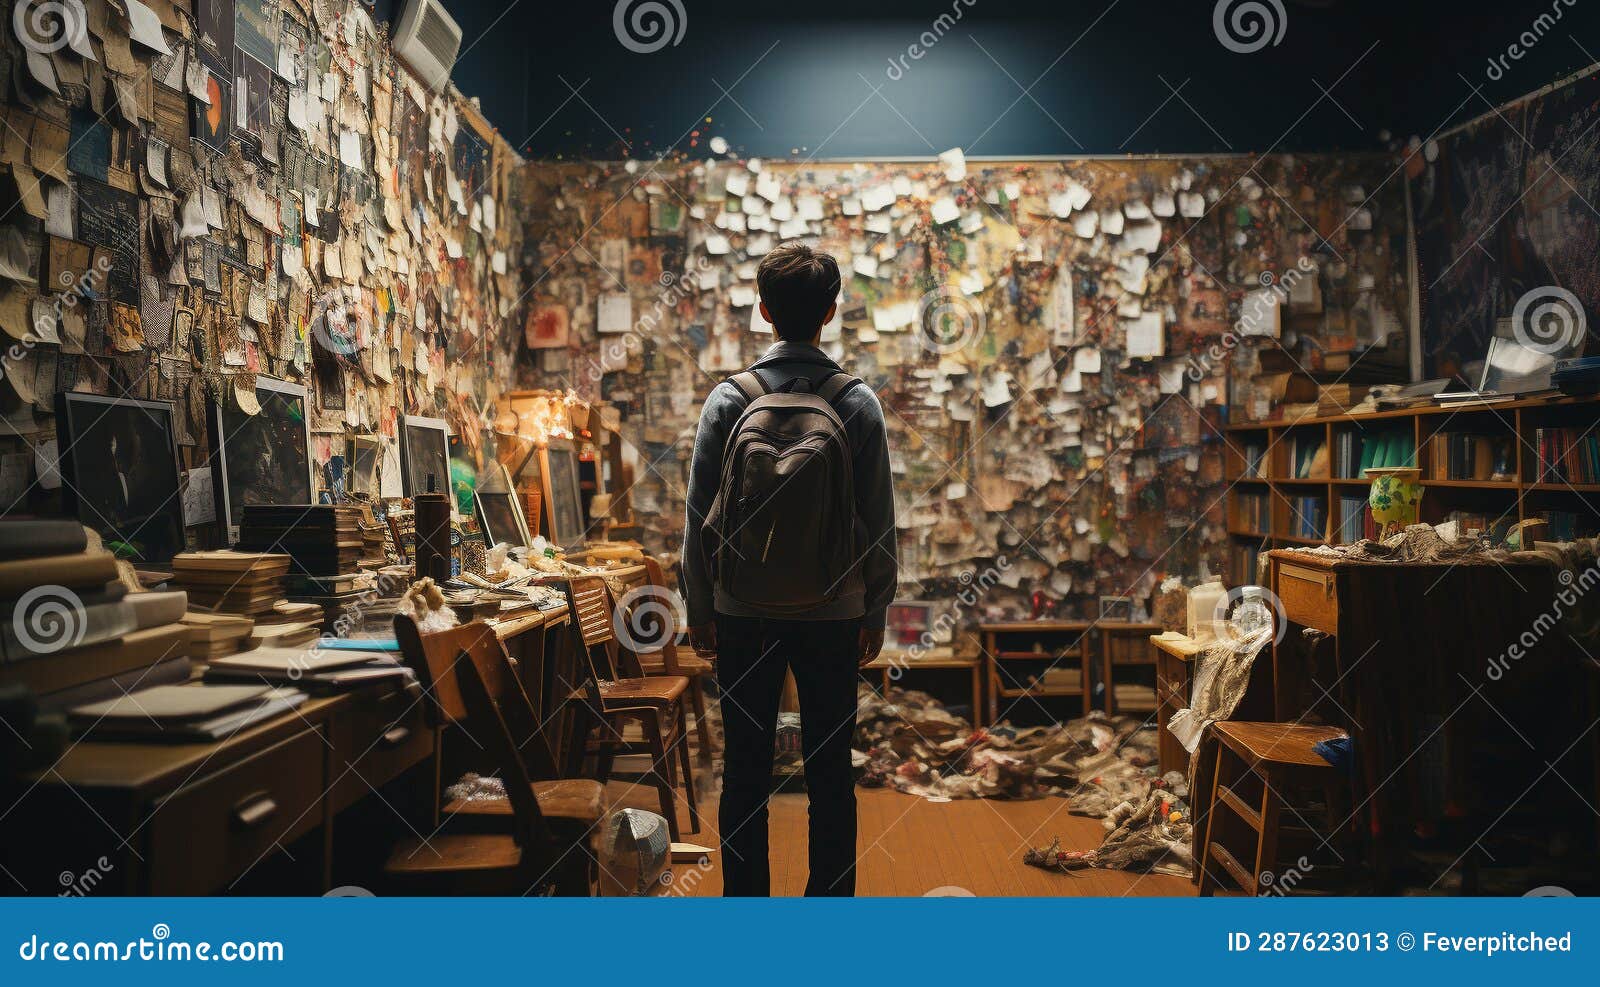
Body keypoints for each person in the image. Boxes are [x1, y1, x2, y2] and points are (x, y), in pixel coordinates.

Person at [681, 242, 897, 896]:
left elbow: (697, 521)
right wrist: (875, 609)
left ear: (765, 310)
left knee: (745, 772)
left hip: (743, 610)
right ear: (830, 312)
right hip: (834, 612)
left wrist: (701, 610)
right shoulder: (857, 402)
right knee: (830, 773)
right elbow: (879, 521)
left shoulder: (728, 400)